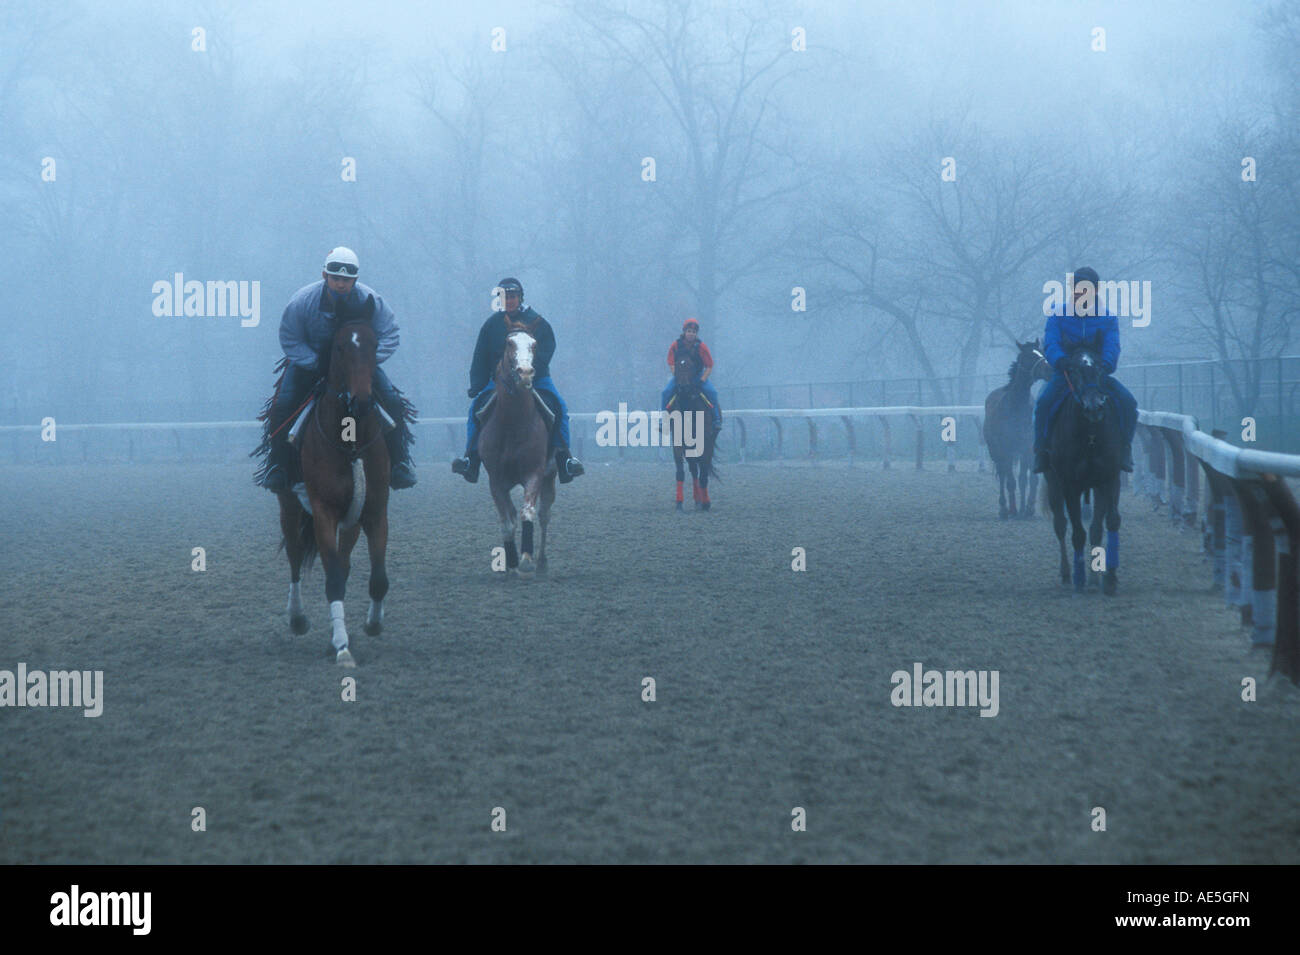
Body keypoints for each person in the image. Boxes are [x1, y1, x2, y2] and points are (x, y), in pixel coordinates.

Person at [255, 247, 416, 491]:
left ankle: (400, 463)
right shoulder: (301, 302)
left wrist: (366, 362)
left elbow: (391, 333)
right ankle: (278, 465)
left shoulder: (372, 300)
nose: (341, 285)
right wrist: (315, 363)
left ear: (355, 280)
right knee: (283, 405)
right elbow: (289, 338)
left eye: (347, 280)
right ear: (324, 276)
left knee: (392, 401)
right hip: (308, 363)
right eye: (336, 279)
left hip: (357, 364)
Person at [452, 278, 584, 483]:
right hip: (500, 381)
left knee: (560, 407)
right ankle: (471, 458)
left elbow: (548, 346)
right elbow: (480, 355)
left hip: (535, 377)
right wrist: (476, 384)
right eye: (505, 297)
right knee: (475, 409)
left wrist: (531, 371)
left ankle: (564, 459)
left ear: (520, 297)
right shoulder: (491, 325)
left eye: (513, 297)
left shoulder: (537, 321)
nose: (509, 301)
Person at [1032, 266, 1137, 473]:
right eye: (1078, 288)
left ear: (1095, 291)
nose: (1081, 292)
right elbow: (1051, 342)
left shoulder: (1107, 318)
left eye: (1086, 288)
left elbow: (1112, 345)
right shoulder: (1057, 315)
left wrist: (1107, 364)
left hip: (1097, 375)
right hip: (1067, 374)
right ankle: (1041, 451)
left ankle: (1125, 448)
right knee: (1043, 403)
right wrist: (1059, 360)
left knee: (1128, 402)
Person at [660, 318, 722, 432]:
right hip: (680, 376)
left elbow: (709, 366)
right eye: (689, 331)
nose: (691, 334)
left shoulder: (701, 347)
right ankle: (663, 420)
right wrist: (678, 377)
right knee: (666, 393)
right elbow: (671, 363)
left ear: (696, 334)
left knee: (712, 392)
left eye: (693, 332)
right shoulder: (676, 345)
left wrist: (701, 381)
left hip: (697, 377)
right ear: (684, 332)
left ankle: (716, 420)